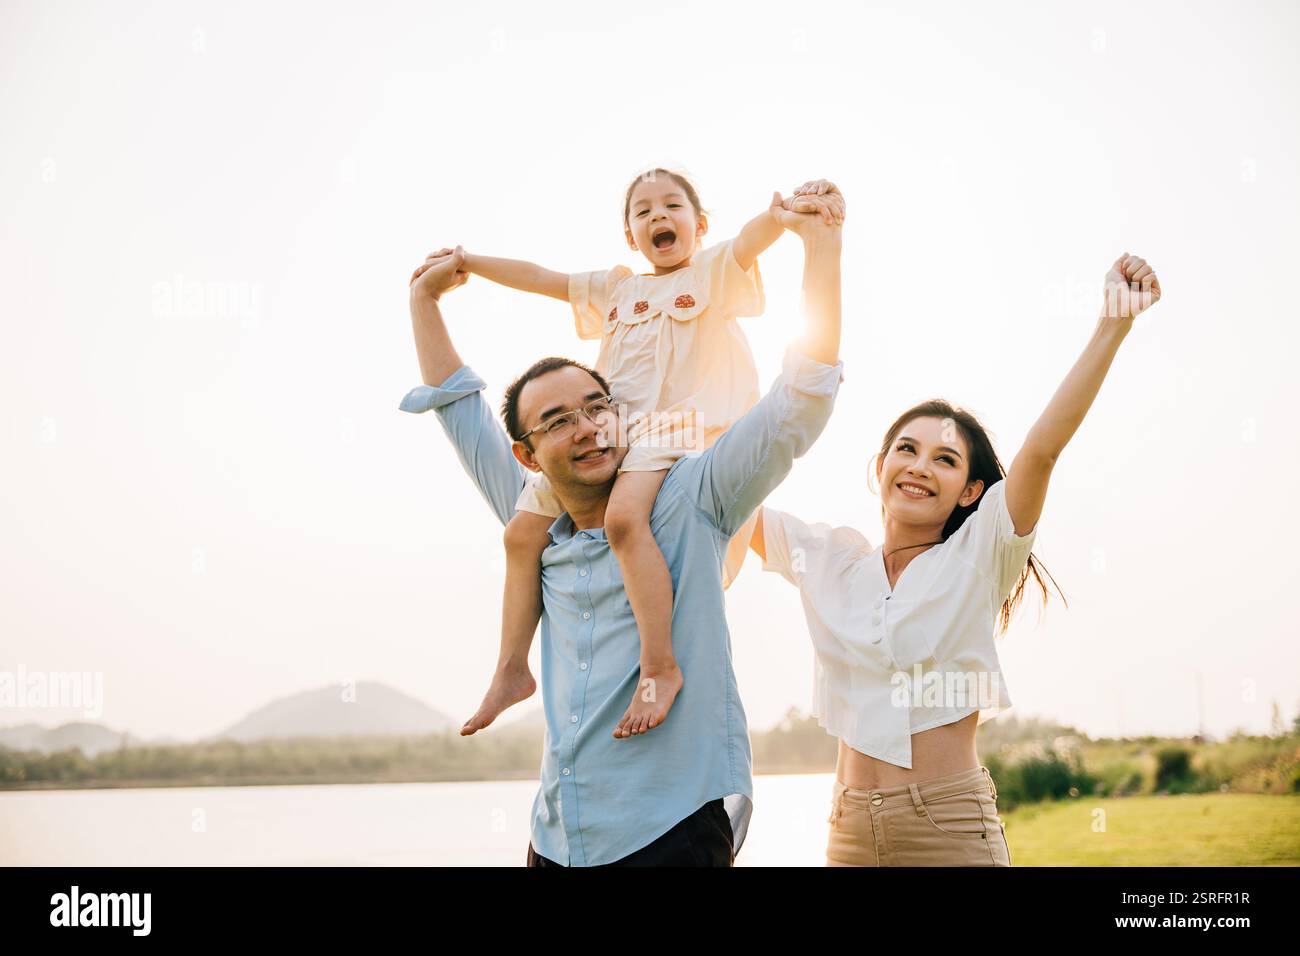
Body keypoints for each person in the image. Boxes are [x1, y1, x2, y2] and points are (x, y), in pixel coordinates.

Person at [397, 183, 846, 866]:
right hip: (558, 837)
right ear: (529, 454)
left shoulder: (691, 498)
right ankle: (508, 671)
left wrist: (818, 243)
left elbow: (801, 399)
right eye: (557, 422)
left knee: (630, 521)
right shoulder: (534, 509)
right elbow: (460, 408)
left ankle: (657, 666)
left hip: (671, 832)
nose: (586, 429)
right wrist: (425, 298)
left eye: (595, 407)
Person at [750, 253, 1162, 866]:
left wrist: (1112, 323)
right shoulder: (827, 555)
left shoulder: (981, 551)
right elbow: (723, 492)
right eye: (906, 449)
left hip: (946, 823)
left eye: (945, 459)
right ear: (882, 465)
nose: (919, 465)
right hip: (847, 830)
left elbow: (1042, 449)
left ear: (972, 490)